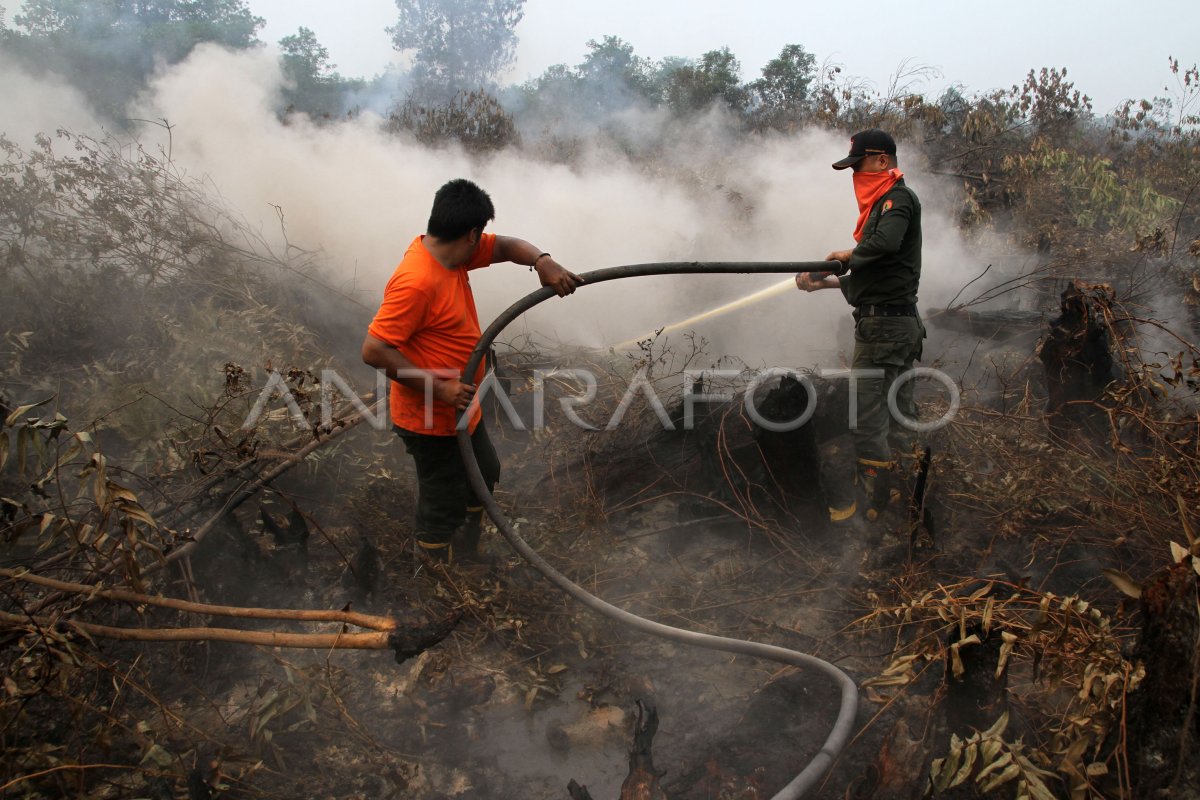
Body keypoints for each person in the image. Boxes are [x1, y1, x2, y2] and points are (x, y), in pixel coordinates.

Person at [362, 178, 581, 564]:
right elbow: (374, 350)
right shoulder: (416, 282)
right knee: (442, 501)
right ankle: (435, 579)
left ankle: (467, 550)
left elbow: (506, 246)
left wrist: (543, 261)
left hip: (463, 408)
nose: (483, 243)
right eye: (479, 236)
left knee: (485, 472)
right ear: (469, 233)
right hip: (429, 419)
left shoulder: (451, 251)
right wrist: (439, 389)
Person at [796, 129, 924, 525]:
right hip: (894, 324)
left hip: (884, 332)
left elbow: (883, 246)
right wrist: (826, 283)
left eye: (859, 165)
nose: (856, 175)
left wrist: (845, 255)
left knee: (869, 419)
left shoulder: (896, 200)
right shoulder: (885, 203)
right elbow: (880, 279)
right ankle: (910, 495)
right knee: (898, 411)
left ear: (882, 160)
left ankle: (874, 515)